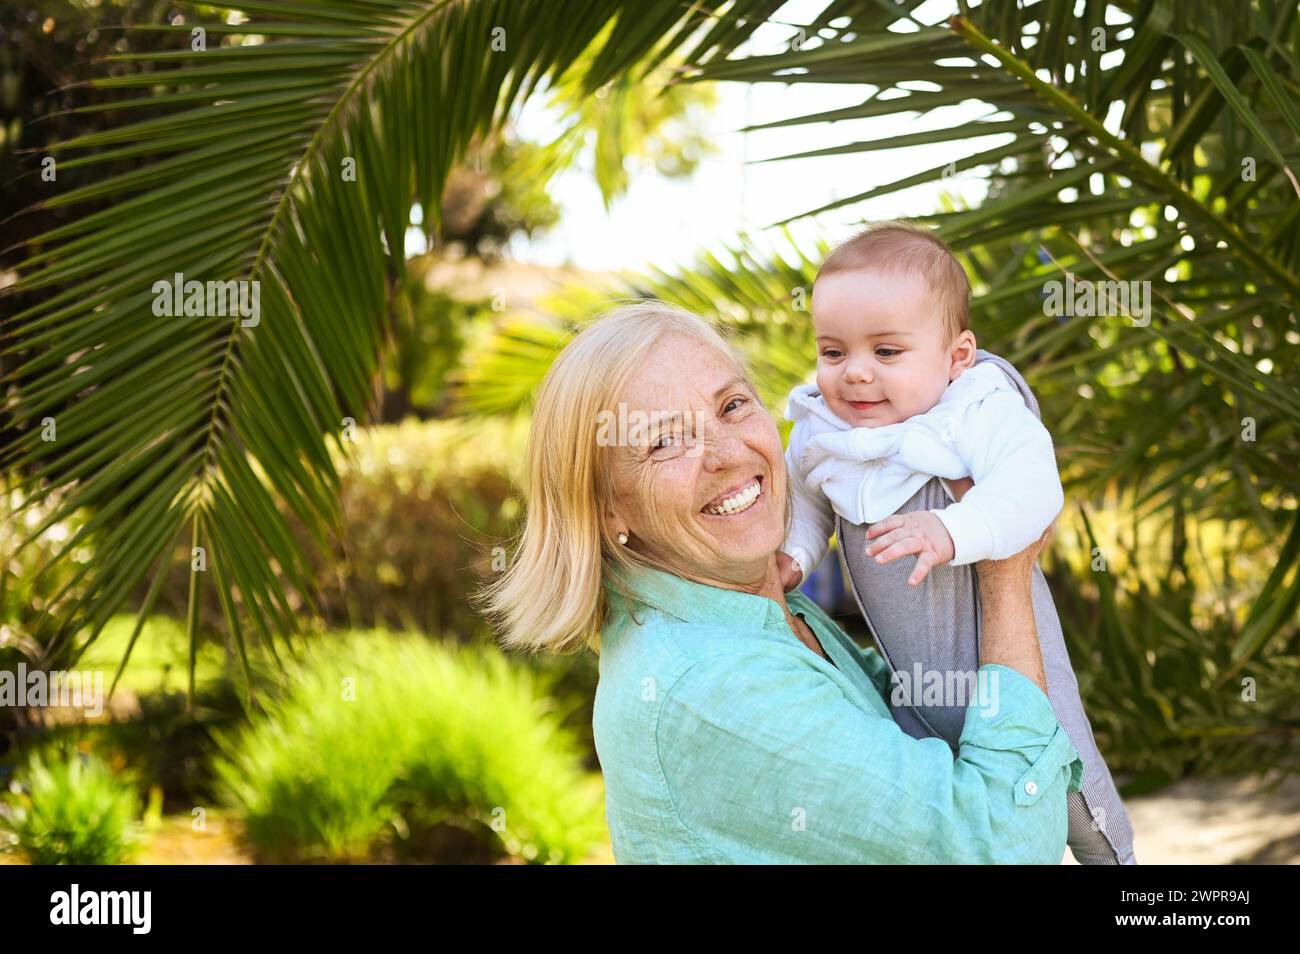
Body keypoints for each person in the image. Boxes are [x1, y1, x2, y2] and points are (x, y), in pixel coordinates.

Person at [481, 301, 1084, 863]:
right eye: (664, 441)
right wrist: (1005, 572)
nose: (727, 453)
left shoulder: (758, 603)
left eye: (732, 406)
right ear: (607, 509)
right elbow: (1005, 844)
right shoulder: (712, 686)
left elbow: (920, 731)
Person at [778, 221, 1135, 864]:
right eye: (834, 353)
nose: (855, 373)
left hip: (1011, 655)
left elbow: (1034, 489)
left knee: (1067, 781)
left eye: (887, 352)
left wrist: (952, 529)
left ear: (957, 356)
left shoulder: (973, 409)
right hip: (915, 682)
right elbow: (807, 498)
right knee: (955, 804)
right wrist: (797, 555)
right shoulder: (822, 430)